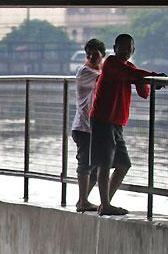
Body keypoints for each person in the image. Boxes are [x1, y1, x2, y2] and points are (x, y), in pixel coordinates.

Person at [89, 33, 166, 215]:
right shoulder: (111, 63)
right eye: (122, 48)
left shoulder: (128, 67)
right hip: (103, 119)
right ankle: (105, 205)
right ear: (114, 49)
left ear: (133, 50)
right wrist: (152, 76)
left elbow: (144, 92)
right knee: (105, 164)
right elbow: (132, 75)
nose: (126, 52)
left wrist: (144, 80)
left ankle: (105, 203)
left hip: (117, 122)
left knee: (123, 164)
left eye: (129, 49)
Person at [71, 38, 104, 213]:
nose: (91, 56)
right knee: (85, 164)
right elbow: (104, 79)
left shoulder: (99, 70)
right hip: (83, 126)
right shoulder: (84, 72)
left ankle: (82, 200)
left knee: (94, 166)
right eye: (89, 53)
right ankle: (82, 200)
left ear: (102, 54)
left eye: (95, 53)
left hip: (93, 127)